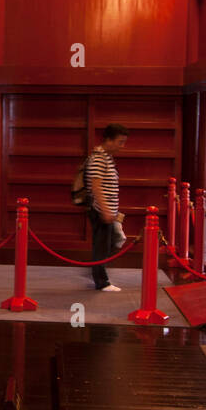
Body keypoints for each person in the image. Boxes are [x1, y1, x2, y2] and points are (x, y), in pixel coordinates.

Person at [86, 124, 128, 292]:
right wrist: (104, 210)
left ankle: (97, 270)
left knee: (114, 241)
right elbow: (96, 187)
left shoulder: (107, 157)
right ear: (108, 140)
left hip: (108, 210)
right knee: (103, 245)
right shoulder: (99, 159)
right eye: (120, 142)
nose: (122, 146)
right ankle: (101, 281)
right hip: (101, 210)